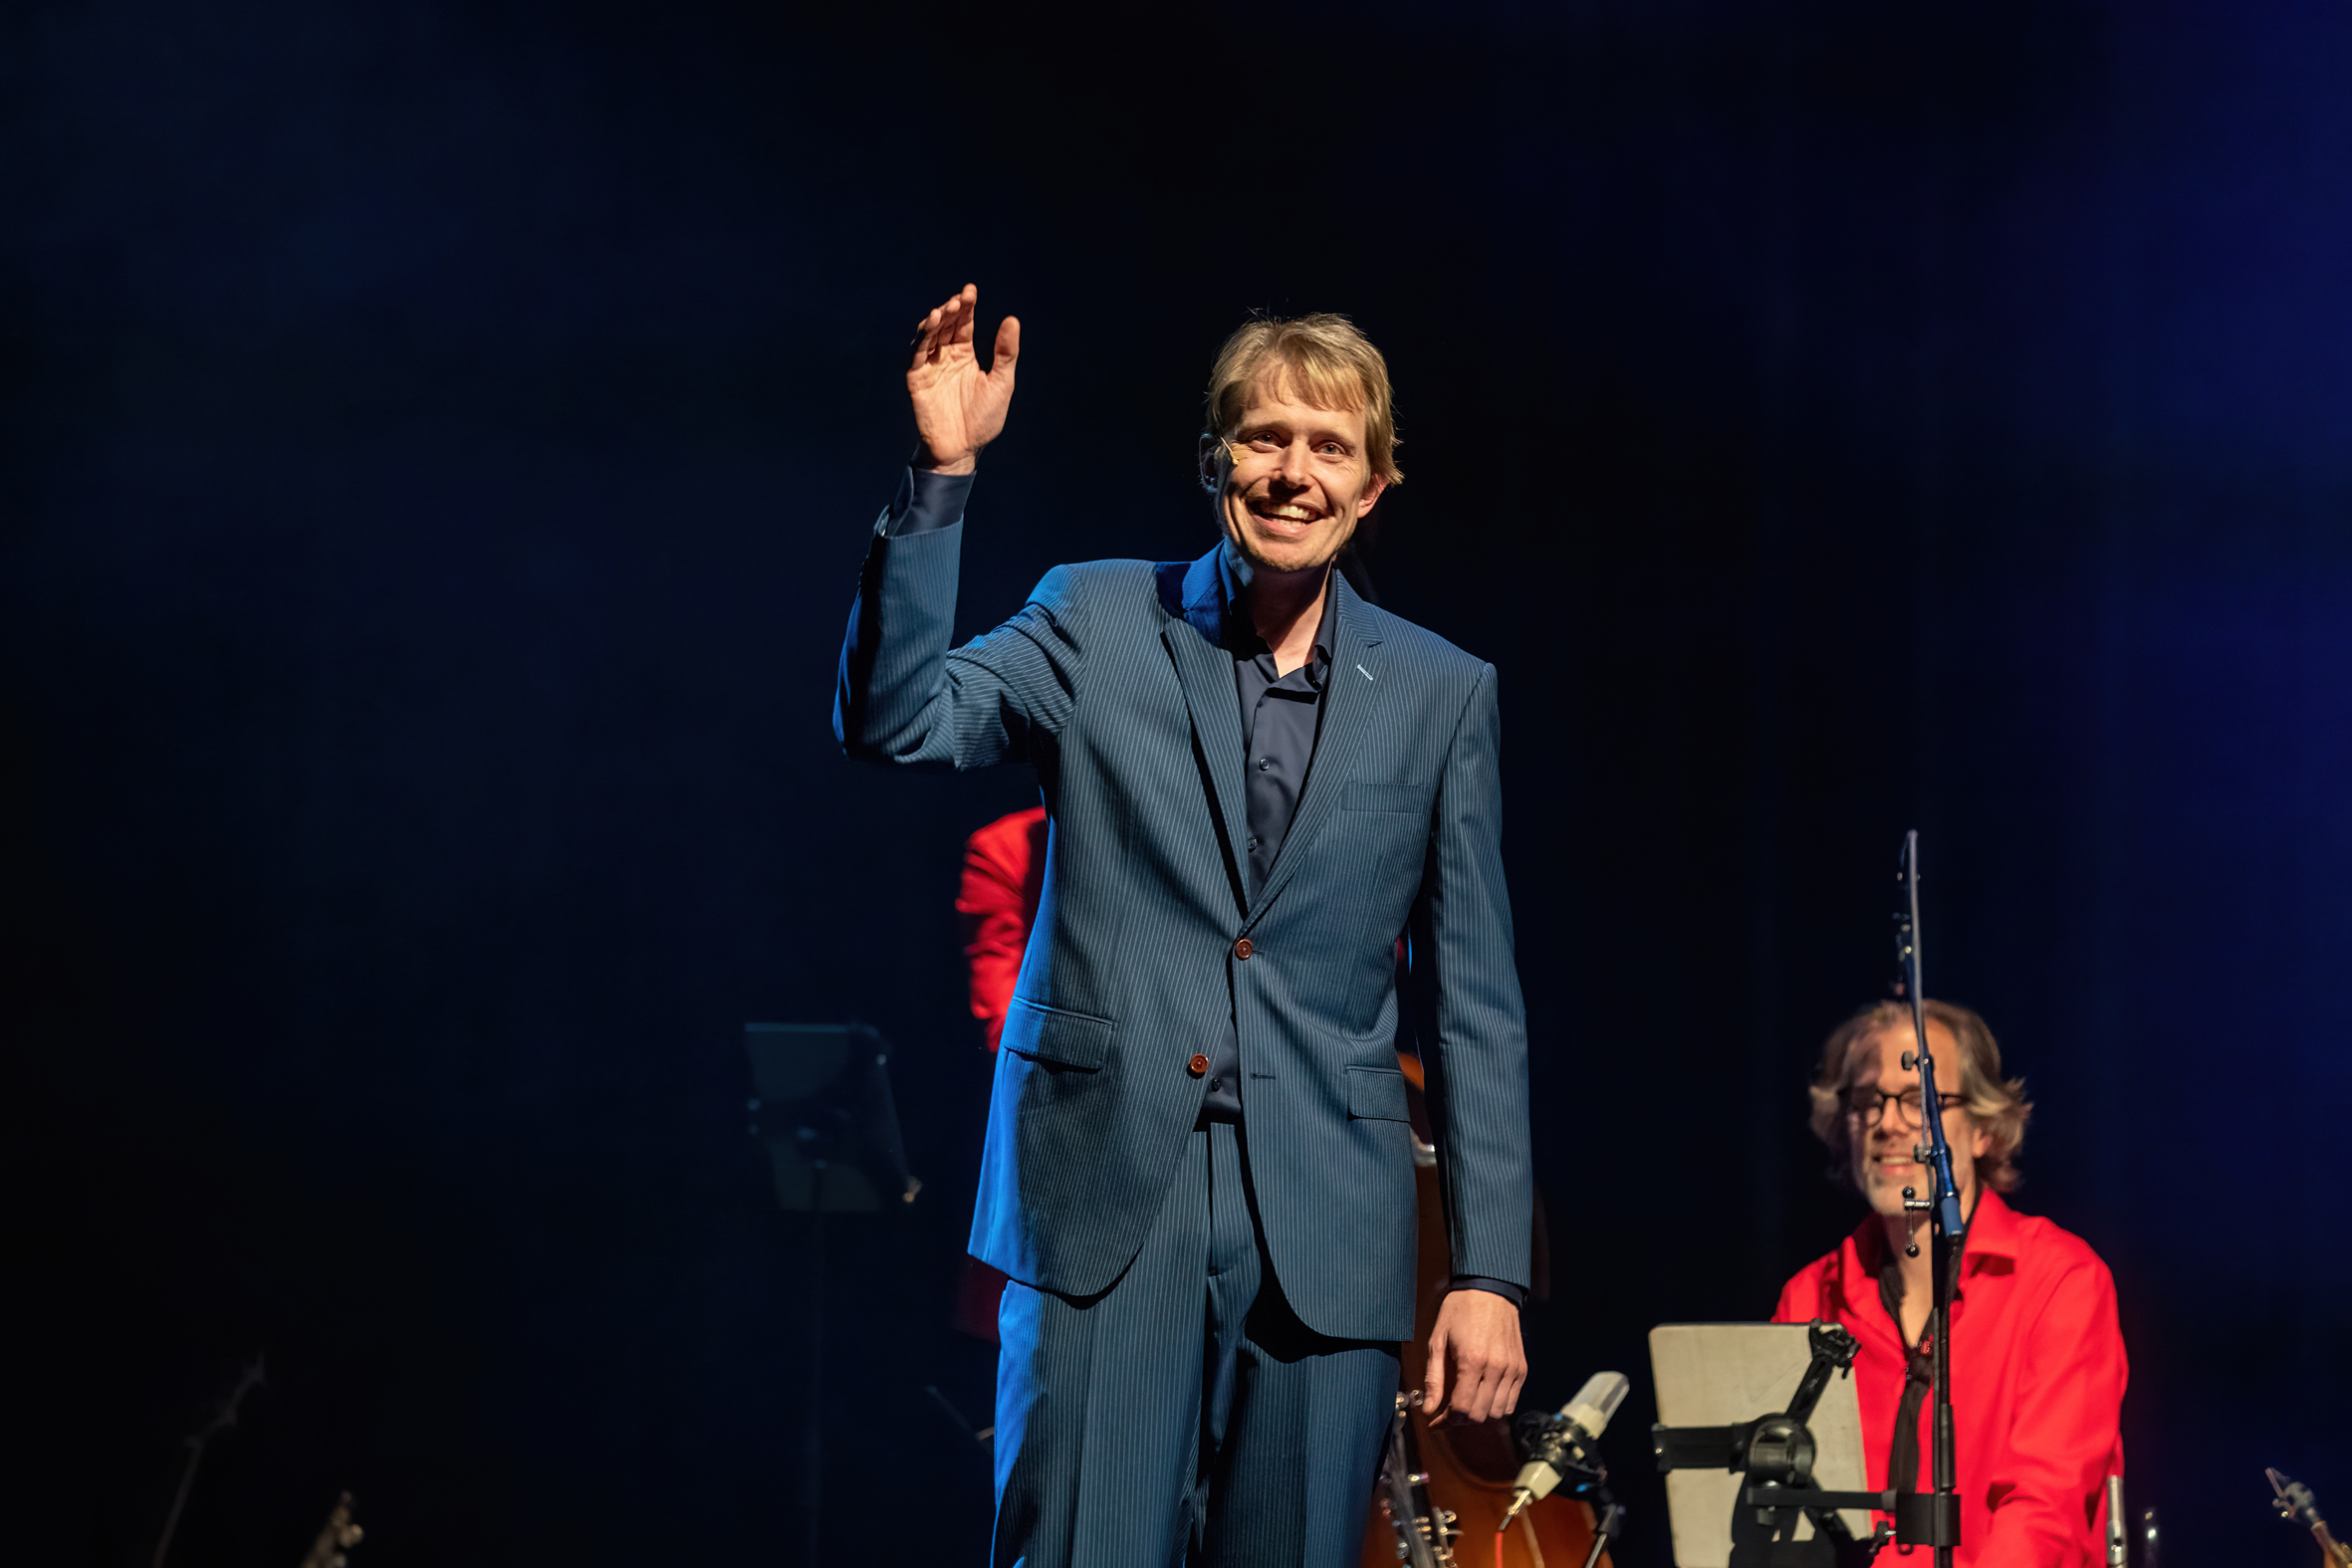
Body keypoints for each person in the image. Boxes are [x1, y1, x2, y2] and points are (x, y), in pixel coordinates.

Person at [833, 285, 1532, 1566]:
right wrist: (942, 478)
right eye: (1265, 437)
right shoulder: (1094, 619)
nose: (1293, 472)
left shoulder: (1441, 692)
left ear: (1373, 485)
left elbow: (1476, 1004)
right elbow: (896, 720)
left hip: (1326, 1217)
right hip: (1104, 1197)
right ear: (1215, 460)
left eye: (1329, 448)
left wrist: (1486, 1273)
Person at [1773, 1000, 2128, 1567]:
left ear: (1984, 1129)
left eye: (1921, 1101)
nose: (1888, 1123)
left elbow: (2044, 1513)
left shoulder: (2061, 1281)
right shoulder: (1809, 1296)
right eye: (1867, 1101)